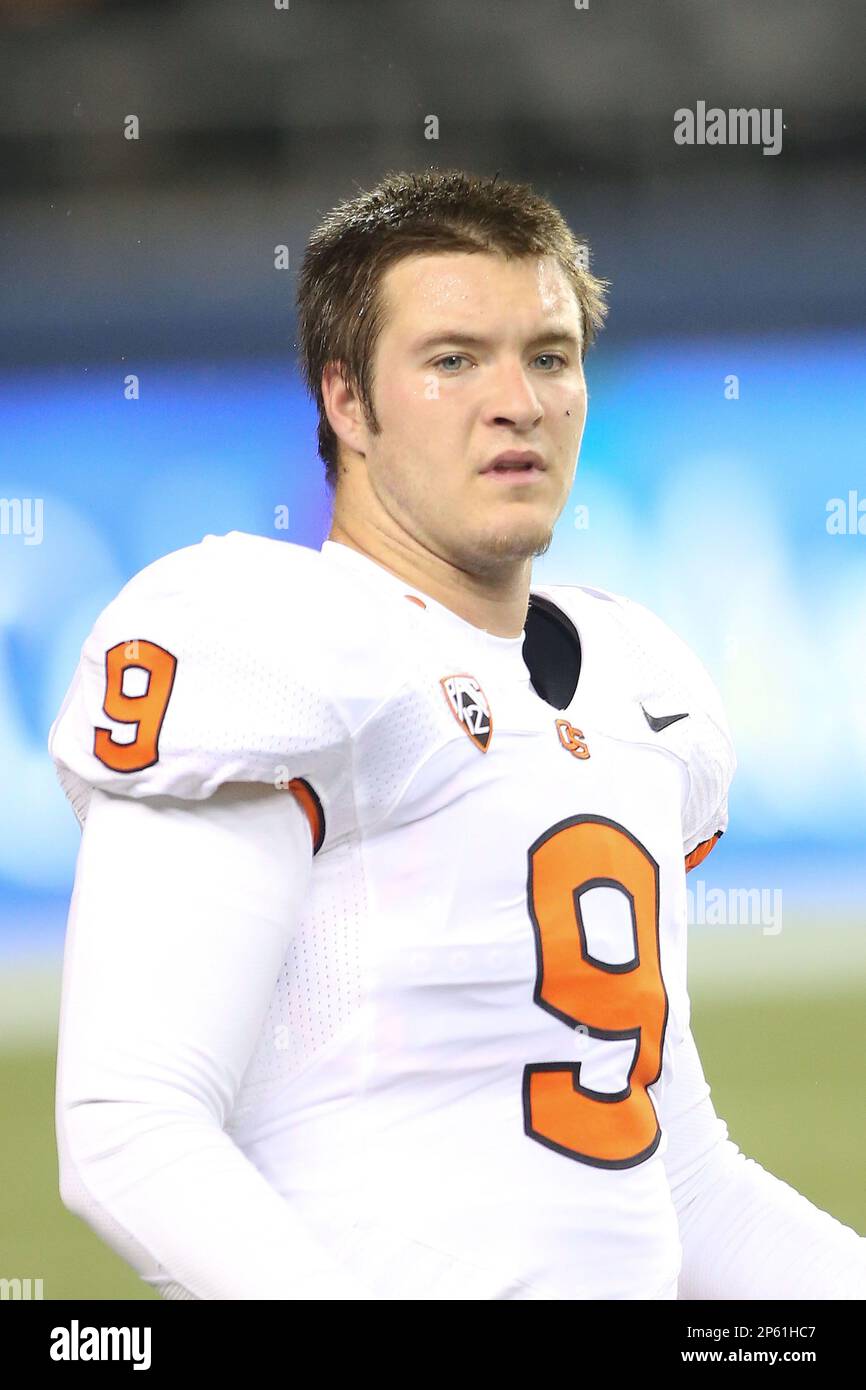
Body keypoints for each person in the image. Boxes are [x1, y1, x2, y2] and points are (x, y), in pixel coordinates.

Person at [49, 168, 866, 1300]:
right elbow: (126, 1129)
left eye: (547, 355)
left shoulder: (640, 692)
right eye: (451, 360)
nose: (516, 401)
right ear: (345, 402)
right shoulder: (271, 640)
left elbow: (678, 1179)